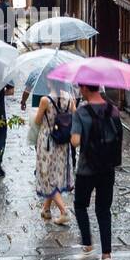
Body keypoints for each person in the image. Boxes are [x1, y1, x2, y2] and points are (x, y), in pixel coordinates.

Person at [70, 83, 122, 260]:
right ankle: (107, 256)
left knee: (80, 205)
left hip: (87, 168)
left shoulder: (81, 113)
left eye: (79, 87)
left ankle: (88, 247)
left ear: (85, 88)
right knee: (103, 210)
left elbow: (75, 142)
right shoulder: (113, 109)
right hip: (108, 167)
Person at [34, 89, 75, 224]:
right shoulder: (70, 98)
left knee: (46, 176)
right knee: (55, 174)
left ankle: (64, 211)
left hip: (47, 141)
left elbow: (38, 121)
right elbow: (75, 116)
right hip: (63, 141)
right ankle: (46, 209)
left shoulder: (45, 100)